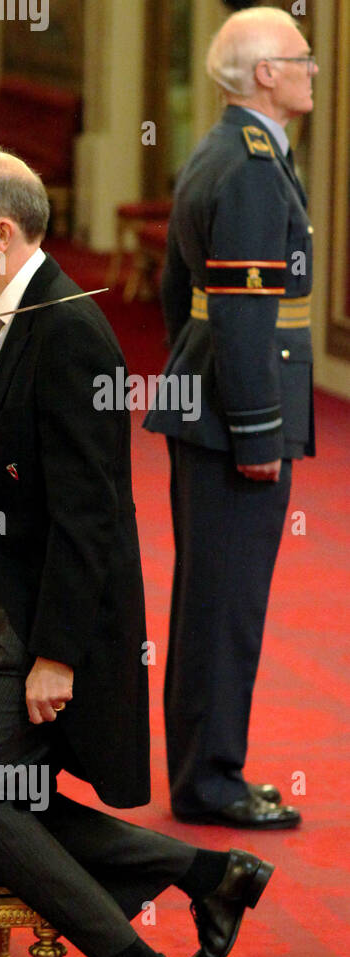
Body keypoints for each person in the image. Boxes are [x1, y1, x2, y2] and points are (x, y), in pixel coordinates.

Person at [0, 145, 274, 957]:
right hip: (12, 607)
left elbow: (93, 516)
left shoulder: (68, 331)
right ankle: (209, 874)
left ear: (4, 234)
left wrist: (54, 656)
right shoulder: (10, 317)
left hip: (56, 621)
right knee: (9, 795)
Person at [144, 6, 314, 829]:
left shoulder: (229, 151)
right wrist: (255, 429)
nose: (313, 69)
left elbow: (183, 299)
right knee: (225, 606)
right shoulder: (247, 167)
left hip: (206, 408)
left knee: (212, 601)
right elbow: (243, 317)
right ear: (264, 76)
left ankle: (206, 771)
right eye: (301, 58)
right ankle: (211, 782)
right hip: (234, 422)